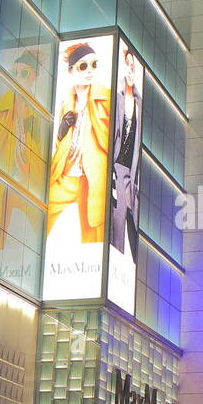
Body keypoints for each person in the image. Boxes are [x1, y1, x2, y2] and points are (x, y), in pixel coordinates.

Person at [47, 41, 111, 244]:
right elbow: (61, 144)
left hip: (91, 179)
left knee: (93, 232)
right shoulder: (67, 101)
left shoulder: (105, 98)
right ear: (71, 71)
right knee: (42, 213)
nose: (89, 71)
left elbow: (111, 139)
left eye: (94, 65)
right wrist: (62, 130)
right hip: (66, 175)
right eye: (83, 66)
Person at [110, 47, 140, 258]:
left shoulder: (140, 104)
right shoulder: (117, 99)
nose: (129, 68)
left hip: (134, 177)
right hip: (118, 172)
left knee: (137, 236)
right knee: (117, 234)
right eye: (127, 63)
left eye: (132, 65)